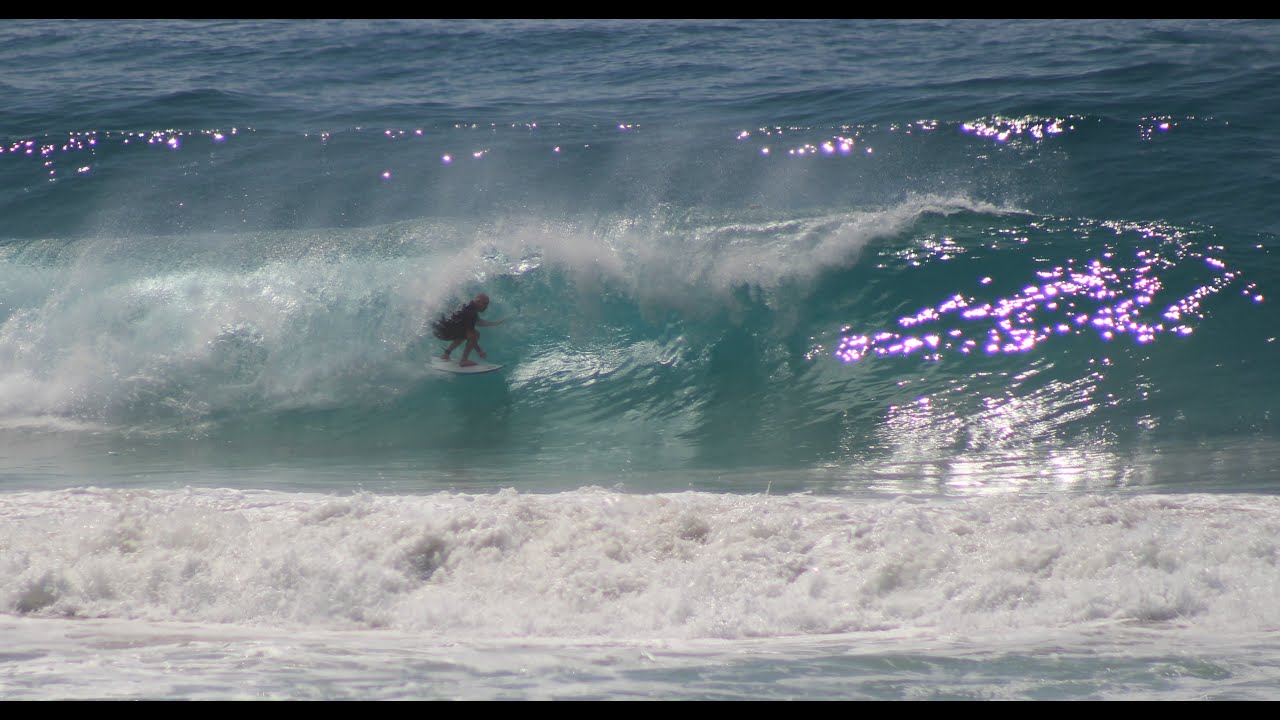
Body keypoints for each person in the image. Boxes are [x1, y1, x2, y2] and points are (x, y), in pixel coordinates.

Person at [431, 292, 503, 367]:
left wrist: (494, 323)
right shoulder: (471, 313)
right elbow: (472, 337)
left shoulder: (467, 305)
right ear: (478, 301)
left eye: (487, 304)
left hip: (438, 330)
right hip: (444, 332)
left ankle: (446, 354)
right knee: (475, 334)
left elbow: (478, 322)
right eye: (485, 303)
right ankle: (464, 360)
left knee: (463, 331)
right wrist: (480, 351)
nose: (486, 306)